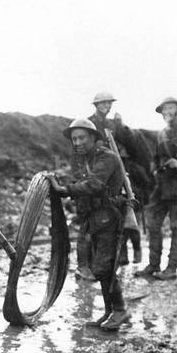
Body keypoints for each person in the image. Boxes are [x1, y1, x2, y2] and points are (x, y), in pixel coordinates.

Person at [49, 118, 130, 330]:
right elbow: (81, 184)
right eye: (74, 139)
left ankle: (120, 310)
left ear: (93, 137)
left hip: (108, 218)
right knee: (97, 267)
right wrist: (66, 186)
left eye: (82, 138)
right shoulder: (82, 159)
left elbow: (95, 184)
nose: (77, 142)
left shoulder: (107, 157)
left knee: (104, 266)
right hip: (92, 218)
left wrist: (65, 190)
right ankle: (109, 311)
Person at [138, 97, 177, 280]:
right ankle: (153, 264)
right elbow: (156, 157)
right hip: (161, 186)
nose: (167, 112)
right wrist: (153, 167)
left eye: (171, 108)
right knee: (153, 224)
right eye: (164, 109)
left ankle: (171, 268)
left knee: (176, 228)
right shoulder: (161, 134)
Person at [86, 92, 152, 267]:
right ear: (96, 105)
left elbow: (131, 143)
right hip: (98, 171)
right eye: (102, 103)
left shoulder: (113, 124)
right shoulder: (89, 123)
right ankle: (95, 261)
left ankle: (123, 254)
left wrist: (121, 125)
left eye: (108, 103)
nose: (106, 106)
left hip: (116, 172)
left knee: (122, 212)